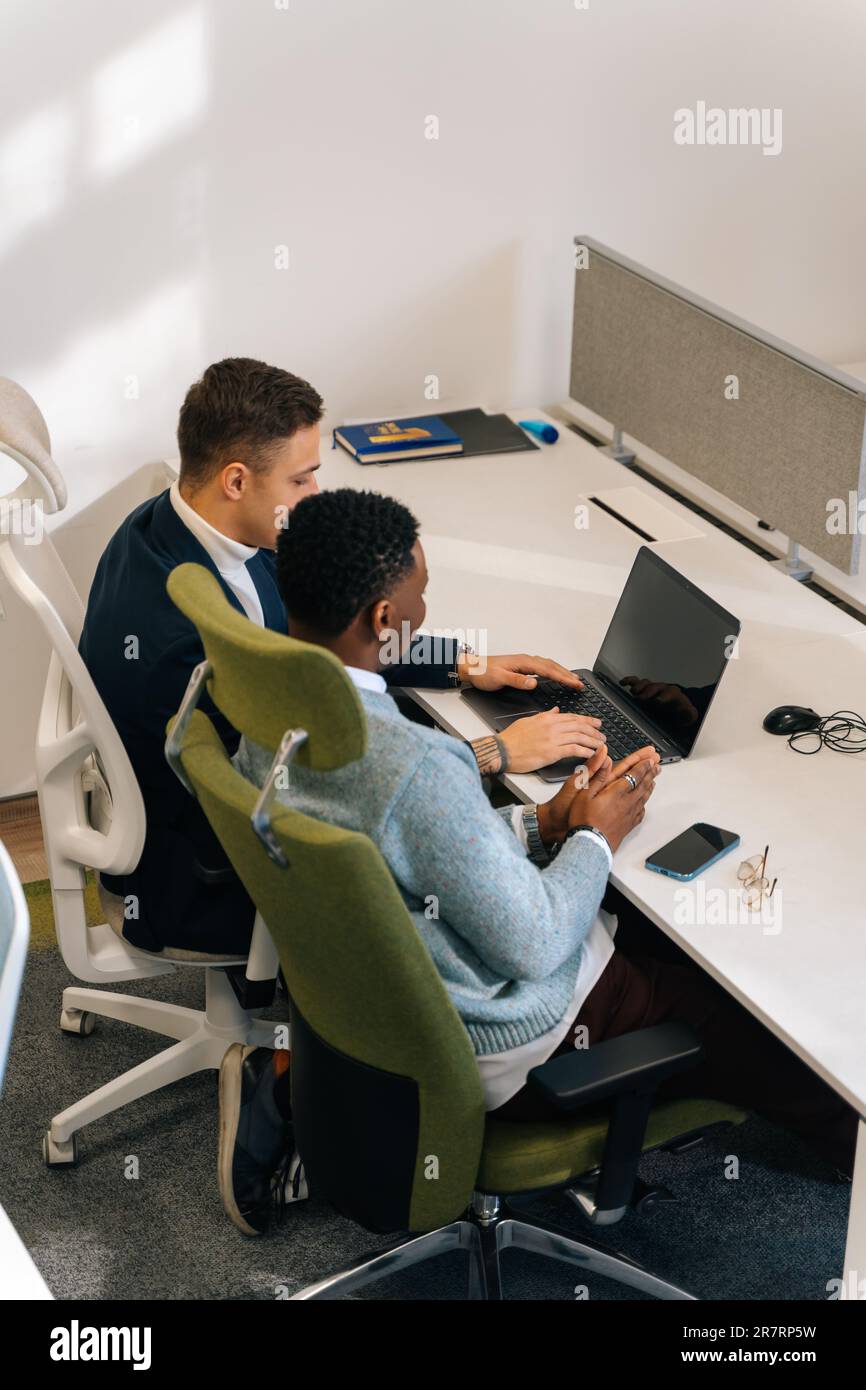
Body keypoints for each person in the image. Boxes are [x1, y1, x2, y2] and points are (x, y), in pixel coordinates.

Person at [220, 487, 858, 1236]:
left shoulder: (264, 710)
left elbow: (407, 853)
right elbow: (534, 942)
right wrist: (594, 838)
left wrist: (539, 821)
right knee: (771, 1026)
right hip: (506, 1032)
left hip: (382, 1003)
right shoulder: (416, 764)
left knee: (651, 917)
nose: (427, 610)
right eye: (421, 597)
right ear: (385, 621)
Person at [79, 358, 605, 955]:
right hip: (204, 875)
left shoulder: (181, 527)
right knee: (484, 905)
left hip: (210, 812)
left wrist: (461, 663)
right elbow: (304, 792)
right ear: (235, 481)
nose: (314, 496)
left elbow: (322, 628)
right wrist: (493, 752)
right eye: (301, 480)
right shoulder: (177, 639)